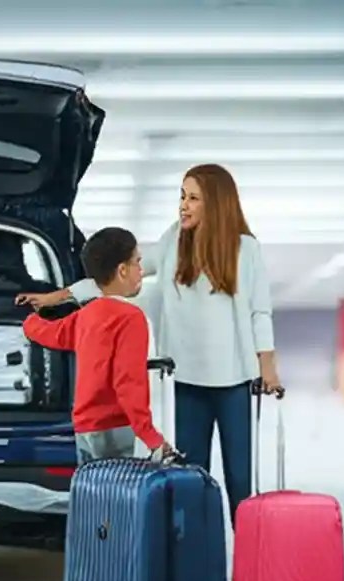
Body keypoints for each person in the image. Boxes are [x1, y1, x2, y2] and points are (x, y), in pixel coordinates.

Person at [18, 163, 282, 528]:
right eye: (181, 196)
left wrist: (266, 365)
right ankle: (195, 556)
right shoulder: (173, 240)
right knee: (191, 477)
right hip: (189, 378)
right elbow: (112, 278)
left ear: (216, 204)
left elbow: (259, 311)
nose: (183, 206)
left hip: (234, 380)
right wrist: (56, 298)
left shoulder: (244, 249)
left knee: (240, 478)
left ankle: (250, 562)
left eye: (193, 198)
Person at [20, 225, 174, 581]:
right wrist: (154, 440)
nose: (144, 270)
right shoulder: (130, 319)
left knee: (91, 535)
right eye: (140, 263)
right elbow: (129, 388)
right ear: (123, 271)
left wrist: (28, 316)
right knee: (114, 538)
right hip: (113, 435)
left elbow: (48, 334)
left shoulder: (87, 316)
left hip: (84, 433)